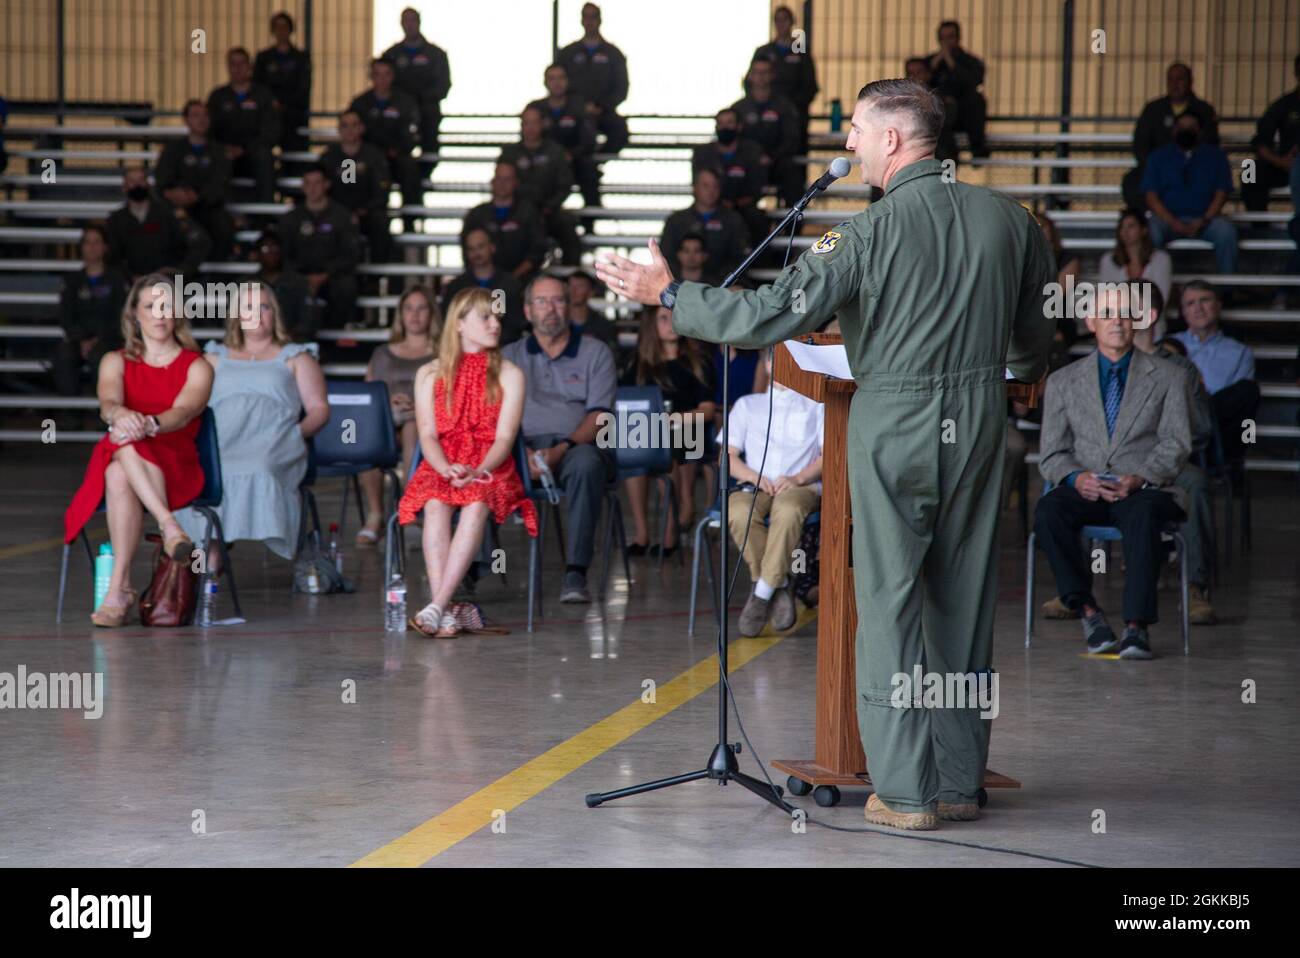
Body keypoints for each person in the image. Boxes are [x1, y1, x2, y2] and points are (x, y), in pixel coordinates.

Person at [596, 78, 1058, 830]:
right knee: (966, 601)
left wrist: (672, 294)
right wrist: (1012, 372)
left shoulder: (864, 234)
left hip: (895, 426)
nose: (846, 144)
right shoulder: (1012, 221)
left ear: (893, 140)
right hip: (977, 427)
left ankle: (907, 793)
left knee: (890, 601)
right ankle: (957, 780)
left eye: (855, 130)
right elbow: (1035, 340)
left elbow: (769, 314)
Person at [1034, 286, 1192, 661]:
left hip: (1142, 487)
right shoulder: (1062, 381)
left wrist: (1139, 477)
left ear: (1137, 320)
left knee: (1142, 514)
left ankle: (1136, 627)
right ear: (1091, 323)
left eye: (1124, 313)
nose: (1116, 321)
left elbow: (1177, 443)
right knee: (1048, 511)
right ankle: (1088, 612)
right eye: (1106, 313)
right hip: (1086, 485)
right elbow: (1052, 453)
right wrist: (1076, 478)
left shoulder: (1170, 377)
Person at [63, 273, 214, 627]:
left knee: (120, 455)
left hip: (174, 458)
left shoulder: (198, 365)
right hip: (126, 448)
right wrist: (121, 414)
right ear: (135, 314)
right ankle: (168, 529)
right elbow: (108, 402)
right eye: (150, 306)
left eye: (166, 306)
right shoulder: (114, 360)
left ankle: (120, 590)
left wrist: (149, 424)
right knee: (119, 454)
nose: (159, 314)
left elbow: (184, 412)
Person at [398, 288, 537, 637]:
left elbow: (504, 438)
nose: (495, 324)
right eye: (485, 317)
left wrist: (479, 470)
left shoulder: (510, 374)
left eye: (497, 317)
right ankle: (444, 610)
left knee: (476, 503)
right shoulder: (429, 373)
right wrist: (445, 467)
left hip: (490, 464)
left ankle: (437, 606)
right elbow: (427, 434)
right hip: (443, 461)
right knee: (434, 503)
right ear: (459, 324)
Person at [175, 285, 329, 566]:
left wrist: (294, 435)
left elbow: (319, 409)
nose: (256, 315)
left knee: (258, 467)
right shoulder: (213, 356)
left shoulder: (297, 357)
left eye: (264, 307)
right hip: (223, 441)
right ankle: (203, 568)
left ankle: (208, 567)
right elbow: (191, 405)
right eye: (248, 308)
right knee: (205, 474)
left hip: (274, 443)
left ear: (275, 314)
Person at [502, 274, 618, 604]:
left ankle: (575, 572)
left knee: (586, 464)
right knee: (480, 460)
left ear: (569, 306)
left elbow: (600, 417)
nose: (550, 309)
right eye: (541, 301)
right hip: (520, 448)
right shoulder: (509, 356)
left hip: (577, 446)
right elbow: (494, 416)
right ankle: (473, 569)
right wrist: (521, 454)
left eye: (558, 300)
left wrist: (561, 449)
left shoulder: (596, 352)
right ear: (527, 311)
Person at [726, 349, 823, 636]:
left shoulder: (816, 405)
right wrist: (753, 477)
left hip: (800, 485)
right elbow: (728, 456)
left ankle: (762, 594)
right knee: (739, 511)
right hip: (754, 484)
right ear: (767, 365)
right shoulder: (748, 405)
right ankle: (779, 585)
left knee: (789, 510)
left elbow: (828, 454)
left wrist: (798, 477)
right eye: (778, 360)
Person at [619, 305, 716, 556]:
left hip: (688, 429)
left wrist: (672, 420)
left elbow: (707, 411)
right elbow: (624, 405)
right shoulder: (637, 363)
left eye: (675, 316)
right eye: (663, 318)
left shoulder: (698, 362)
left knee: (672, 448)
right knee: (633, 453)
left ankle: (669, 534)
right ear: (652, 325)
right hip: (646, 430)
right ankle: (641, 534)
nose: (671, 322)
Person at [357, 285, 439, 545]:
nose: (415, 315)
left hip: (427, 419)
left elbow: (451, 396)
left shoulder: (443, 352)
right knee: (368, 435)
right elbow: (368, 394)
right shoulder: (382, 353)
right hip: (386, 418)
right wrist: (385, 401)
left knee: (414, 427)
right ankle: (376, 514)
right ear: (401, 315)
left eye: (421, 308)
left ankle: (411, 504)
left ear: (431, 314)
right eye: (409, 309)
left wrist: (418, 406)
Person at [1172, 280, 1260, 465]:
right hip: (1177, 422)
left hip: (1217, 428)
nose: (1198, 308)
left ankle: (1239, 461)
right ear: (1183, 311)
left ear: (1218, 305)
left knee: (1249, 391)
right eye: (1190, 303)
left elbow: (1242, 411)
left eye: (1205, 300)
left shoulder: (1240, 352)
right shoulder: (1169, 345)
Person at [1142, 112, 1237, 276]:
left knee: (1226, 231)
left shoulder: (1216, 157)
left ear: (1200, 132)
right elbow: (1151, 196)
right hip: (1167, 220)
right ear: (1174, 131)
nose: (1186, 131)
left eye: (1191, 128)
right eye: (1181, 127)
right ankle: (1152, 288)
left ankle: (1227, 289)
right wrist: (1173, 222)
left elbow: (1221, 193)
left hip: (1205, 221)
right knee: (1151, 230)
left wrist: (1204, 219)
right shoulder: (1158, 157)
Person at [1124, 63, 1220, 211]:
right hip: (1157, 171)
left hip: (1194, 170)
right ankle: (1149, 220)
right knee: (1132, 181)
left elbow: (1210, 144)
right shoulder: (1153, 110)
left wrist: (1186, 165)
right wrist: (1157, 168)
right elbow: (1140, 145)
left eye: (1180, 79)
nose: (1175, 84)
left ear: (1190, 81)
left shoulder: (1204, 110)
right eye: (1171, 80)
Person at [277, 165, 360, 330]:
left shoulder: (342, 216)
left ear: (327, 184)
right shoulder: (290, 219)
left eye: (317, 183)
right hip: (299, 276)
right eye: (308, 183)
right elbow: (284, 255)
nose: (313, 188)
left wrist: (325, 275)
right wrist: (304, 279)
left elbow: (350, 254)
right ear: (302, 186)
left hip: (332, 276)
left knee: (346, 287)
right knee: (284, 286)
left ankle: (334, 332)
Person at [155, 99, 236, 261]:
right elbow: (162, 181)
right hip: (177, 209)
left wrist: (197, 196)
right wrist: (174, 193)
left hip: (208, 208)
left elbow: (220, 183)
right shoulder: (172, 149)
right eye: (196, 115)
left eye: (205, 115)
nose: (201, 119)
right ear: (186, 120)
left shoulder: (219, 151)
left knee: (223, 227)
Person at [499, 106, 580, 265]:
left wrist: (548, 207)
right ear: (521, 125)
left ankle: (571, 274)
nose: (530, 128)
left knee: (567, 224)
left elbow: (565, 185)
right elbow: (501, 183)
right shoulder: (509, 153)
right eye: (526, 123)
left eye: (534, 122)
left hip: (548, 211)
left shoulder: (555, 152)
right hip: (517, 212)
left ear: (543, 124)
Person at [55, 225, 128, 397]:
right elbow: (66, 315)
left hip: (110, 339)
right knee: (63, 355)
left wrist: (97, 339)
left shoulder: (117, 279)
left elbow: (120, 315)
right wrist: (81, 340)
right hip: (78, 340)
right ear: (81, 247)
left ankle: (101, 414)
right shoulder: (72, 281)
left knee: (101, 356)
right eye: (87, 242)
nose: (92, 247)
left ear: (105, 247)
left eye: (97, 242)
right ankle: (71, 415)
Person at [105, 167, 208, 282]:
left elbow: (200, 243)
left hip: (169, 283)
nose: (137, 185)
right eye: (132, 181)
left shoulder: (168, 214)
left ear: (148, 185)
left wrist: (180, 272)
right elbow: (112, 257)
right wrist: (130, 278)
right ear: (124, 187)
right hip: (132, 286)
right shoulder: (116, 220)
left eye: (141, 180)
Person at [349, 58, 423, 213]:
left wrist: (395, 149)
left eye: (386, 74)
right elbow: (352, 134)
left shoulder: (406, 102)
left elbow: (412, 135)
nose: (382, 79)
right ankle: (347, 215)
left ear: (393, 76)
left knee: (410, 168)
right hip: (365, 157)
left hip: (394, 158)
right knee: (346, 167)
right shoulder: (359, 103)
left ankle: (410, 221)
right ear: (371, 76)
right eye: (377, 74)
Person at [207, 47, 280, 202]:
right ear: (228, 67)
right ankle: (218, 212)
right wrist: (224, 148)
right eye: (233, 64)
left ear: (249, 66)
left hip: (253, 154)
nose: (238, 68)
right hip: (225, 154)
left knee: (264, 157)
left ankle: (265, 215)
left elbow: (272, 130)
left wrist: (245, 149)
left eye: (242, 64)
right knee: (213, 159)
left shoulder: (263, 95)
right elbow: (209, 129)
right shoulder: (218, 96)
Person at [320, 109, 394, 262]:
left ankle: (376, 274)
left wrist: (362, 211)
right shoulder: (329, 157)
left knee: (380, 221)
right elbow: (322, 189)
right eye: (345, 125)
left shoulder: (374, 156)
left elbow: (382, 192)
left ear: (362, 128)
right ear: (339, 130)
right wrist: (343, 213)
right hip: (336, 214)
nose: (350, 130)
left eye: (354, 125)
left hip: (367, 214)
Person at [381, 7, 452, 166]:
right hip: (397, 116)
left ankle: (423, 176)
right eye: (406, 20)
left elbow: (443, 86)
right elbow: (384, 86)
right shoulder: (391, 55)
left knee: (429, 149)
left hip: (427, 114)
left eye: (413, 20)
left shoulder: (436, 54)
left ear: (419, 22)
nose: (410, 24)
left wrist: (420, 99)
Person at [557, 3, 629, 157]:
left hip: (604, 112)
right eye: (586, 17)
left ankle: (596, 163)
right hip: (573, 112)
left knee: (620, 131)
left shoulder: (613, 54)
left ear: (600, 20)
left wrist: (601, 106)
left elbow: (622, 88)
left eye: (593, 17)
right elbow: (557, 82)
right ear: (581, 20)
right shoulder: (568, 53)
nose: (589, 21)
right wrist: (578, 105)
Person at [731, 57, 803, 206]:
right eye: (757, 72)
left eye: (765, 72)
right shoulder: (739, 108)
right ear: (750, 75)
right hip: (748, 164)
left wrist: (772, 157)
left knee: (793, 177)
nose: (761, 77)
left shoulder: (784, 106)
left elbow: (791, 137)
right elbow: (735, 139)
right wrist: (754, 157)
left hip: (777, 163)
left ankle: (792, 225)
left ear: (772, 75)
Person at [527, 63, 600, 209]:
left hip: (573, 161)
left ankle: (590, 222)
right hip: (545, 162)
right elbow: (527, 138)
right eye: (552, 78)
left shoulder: (579, 107)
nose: (557, 83)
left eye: (561, 78)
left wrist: (571, 154)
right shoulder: (536, 108)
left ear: (567, 81)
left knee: (589, 169)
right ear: (545, 82)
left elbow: (588, 141)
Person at [692, 108, 769, 245]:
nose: (725, 127)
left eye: (729, 123)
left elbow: (757, 187)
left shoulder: (752, 151)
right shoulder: (702, 153)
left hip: (743, 207)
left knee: (756, 218)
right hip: (712, 205)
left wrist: (735, 204)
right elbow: (699, 184)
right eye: (720, 123)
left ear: (739, 126)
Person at [461, 161, 548, 279]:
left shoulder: (529, 213)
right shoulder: (477, 215)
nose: (502, 183)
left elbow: (538, 252)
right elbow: (467, 250)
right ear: (492, 181)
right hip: (482, 282)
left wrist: (511, 279)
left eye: (508, 179)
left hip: (522, 282)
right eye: (499, 178)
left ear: (516, 182)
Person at [751, 5, 819, 155]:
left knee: (794, 158)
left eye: (785, 20)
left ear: (792, 22)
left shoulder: (801, 52)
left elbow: (810, 86)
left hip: (794, 116)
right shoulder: (763, 51)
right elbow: (750, 82)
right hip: (765, 117)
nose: (781, 24)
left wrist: (791, 105)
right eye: (777, 20)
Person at [441, 228, 527, 345]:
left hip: (503, 349)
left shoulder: (509, 284)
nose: (476, 253)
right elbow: (450, 322)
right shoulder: (456, 286)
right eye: (471, 249)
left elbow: (515, 325)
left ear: (492, 247)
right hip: (465, 349)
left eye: (481, 246)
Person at [660, 168, 750, 280]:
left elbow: (740, 258)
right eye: (705, 185)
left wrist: (715, 283)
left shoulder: (733, 220)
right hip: (680, 286)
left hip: (721, 288)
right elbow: (665, 256)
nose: (711, 191)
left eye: (715, 186)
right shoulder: (676, 220)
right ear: (695, 188)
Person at [1097, 208, 1173, 338]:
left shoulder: (1161, 259)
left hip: (1153, 327)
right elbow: (1107, 298)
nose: (1125, 231)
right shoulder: (1108, 261)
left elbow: (1161, 299)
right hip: (1119, 326)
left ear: (1144, 230)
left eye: (1131, 226)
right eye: (1122, 227)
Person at [1243, 54, 1300, 212]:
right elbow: (1260, 141)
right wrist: (1280, 161)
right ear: (1296, 73)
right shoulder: (1284, 104)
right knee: (1249, 169)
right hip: (1285, 166)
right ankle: (1258, 226)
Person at [927, 21, 988, 157]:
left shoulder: (970, 61)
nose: (947, 41)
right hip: (939, 116)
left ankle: (978, 149)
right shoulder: (931, 61)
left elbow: (974, 81)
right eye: (943, 38)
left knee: (976, 100)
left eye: (951, 36)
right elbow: (920, 82)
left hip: (963, 115)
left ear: (958, 38)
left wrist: (951, 63)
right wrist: (934, 64)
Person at [254, 11, 312, 153]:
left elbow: (304, 88)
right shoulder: (263, 58)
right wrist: (271, 102)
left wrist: (284, 104)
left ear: (291, 29)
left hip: (293, 115)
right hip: (268, 114)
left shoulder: (301, 58)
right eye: (277, 27)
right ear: (272, 30)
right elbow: (257, 85)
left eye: (284, 27)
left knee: (295, 153)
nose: (281, 31)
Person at [252, 228, 314, 343]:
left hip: (292, 342)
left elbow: (307, 320)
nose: (270, 253)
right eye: (265, 249)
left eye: (275, 248)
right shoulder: (246, 284)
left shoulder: (298, 282)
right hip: (255, 343)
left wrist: (288, 337)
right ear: (256, 254)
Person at [1036, 214, 1082, 349]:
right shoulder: (1020, 260)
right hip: (1029, 322)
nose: (1037, 230)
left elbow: (1053, 296)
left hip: (1058, 321)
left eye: (1042, 226)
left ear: (1051, 232)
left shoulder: (1068, 259)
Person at [905, 56, 958, 162]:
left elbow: (948, 121)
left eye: (919, 72)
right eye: (911, 73)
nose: (915, 76)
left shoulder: (942, 99)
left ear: (928, 75)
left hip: (938, 152)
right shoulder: (897, 101)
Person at [568, 269, 617, 347]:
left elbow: (610, 354)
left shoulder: (603, 326)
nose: (573, 290)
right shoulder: (556, 321)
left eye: (580, 286)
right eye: (570, 285)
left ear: (591, 292)